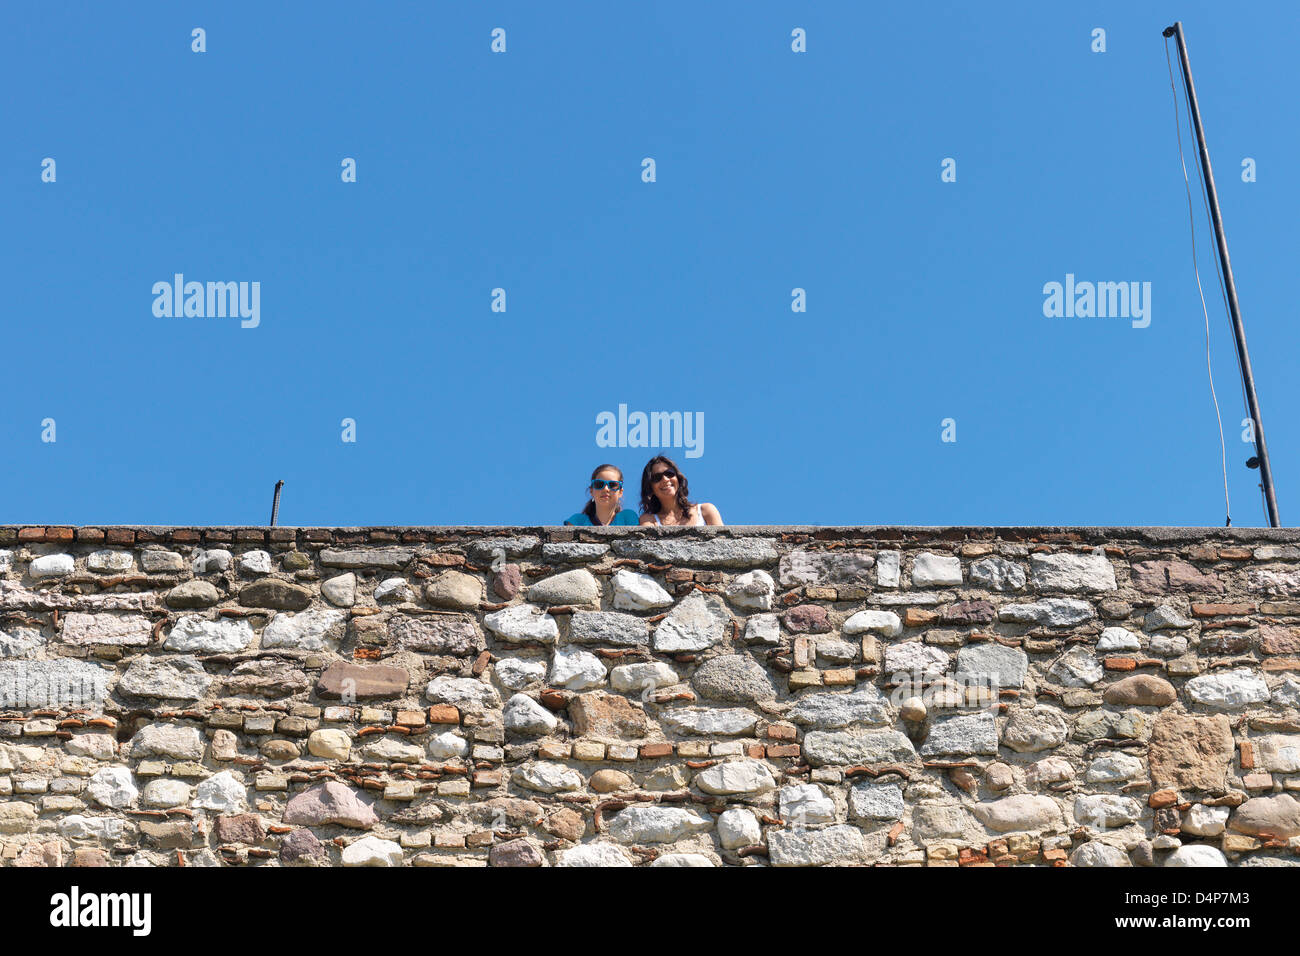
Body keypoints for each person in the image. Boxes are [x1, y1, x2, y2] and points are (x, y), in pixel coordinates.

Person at [638, 455, 723, 526]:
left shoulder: (706, 511)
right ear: (650, 488)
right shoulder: (648, 520)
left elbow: (723, 543)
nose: (665, 479)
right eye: (657, 478)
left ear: (678, 478)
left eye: (669, 473)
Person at [564, 464, 641, 526]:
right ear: (591, 491)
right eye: (599, 484)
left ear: (620, 492)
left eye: (613, 484)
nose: (606, 489)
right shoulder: (577, 522)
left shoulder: (628, 518)